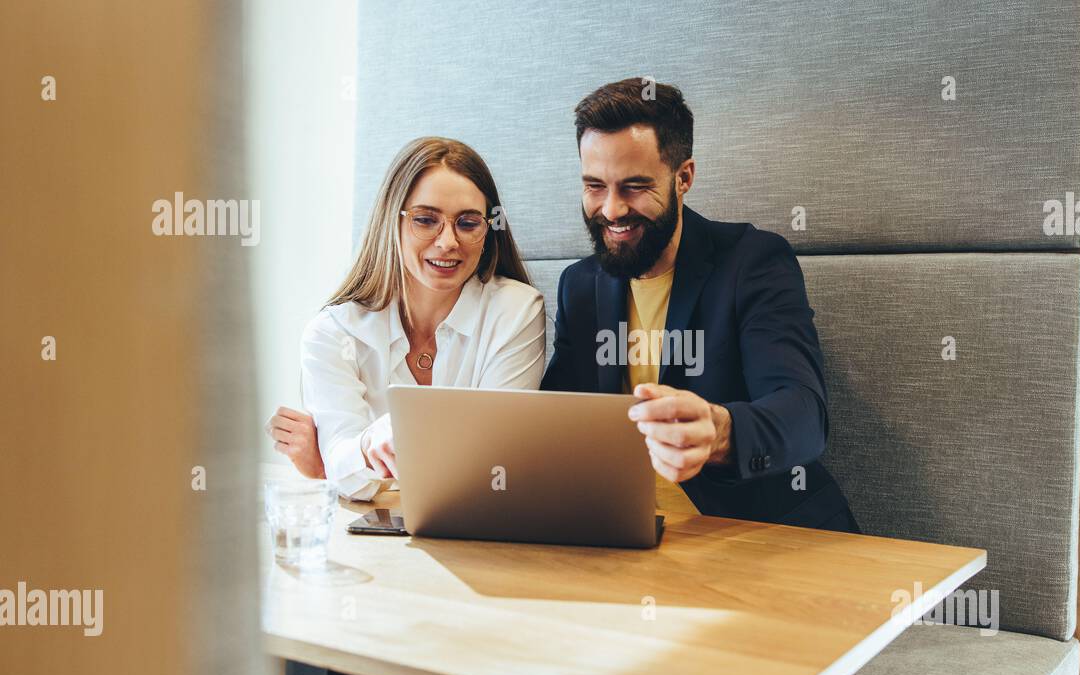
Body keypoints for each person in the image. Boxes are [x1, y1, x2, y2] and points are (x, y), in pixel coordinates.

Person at [542, 79, 858, 532]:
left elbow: (805, 415)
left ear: (683, 177)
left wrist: (719, 431)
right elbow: (556, 420)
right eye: (595, 186)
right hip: (639, 537)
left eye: (634, 187)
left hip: (766, 533)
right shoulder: (579, 284)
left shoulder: (754, 261)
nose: (611, 210)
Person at [266, 137, 545, 500]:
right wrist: (362, 447)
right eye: (426, 220)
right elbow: (343, 472)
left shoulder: (516, 311)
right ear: (390, 221)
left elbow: (498, 465)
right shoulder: (332, 333)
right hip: (375, 538)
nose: (447, 242)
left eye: (468, 223)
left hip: (479, 532)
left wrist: (341, 463)